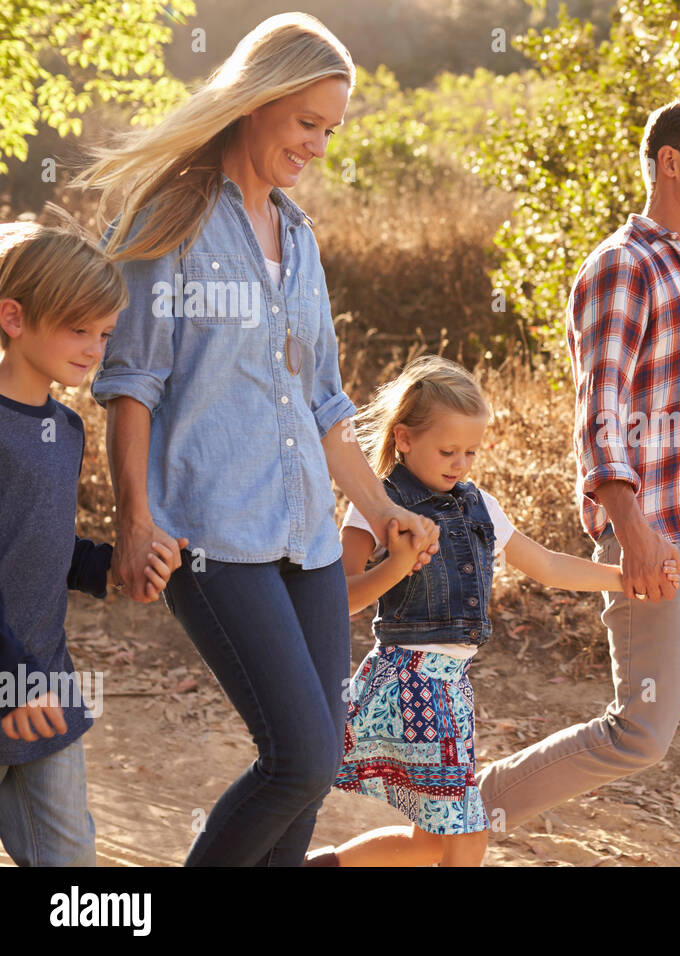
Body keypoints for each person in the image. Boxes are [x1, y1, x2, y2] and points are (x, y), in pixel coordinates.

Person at [75, 14, 439, 866]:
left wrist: (383, 509)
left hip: (307, 537)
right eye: (306, 122)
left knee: (315, 771)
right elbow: (130, 387)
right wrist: (136, 522)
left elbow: (322, 405)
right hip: (211, 535)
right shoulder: (168, 218)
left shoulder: (300, 238)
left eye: (330, 129)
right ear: (257, 102)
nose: (317, 144)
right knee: (300, 760)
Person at [474, 99, 680, 866]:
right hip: (663, 533)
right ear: (671, 162)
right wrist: (632, 526)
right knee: (641, 734)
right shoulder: (623, 265)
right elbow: (600, 405)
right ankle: (473, 805)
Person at [302, 355, 679, 866]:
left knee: (432, 841)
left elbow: (544, 564)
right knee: (469, 833)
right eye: (448, 449)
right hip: (410, 682)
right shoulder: (376, 504)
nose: (460, 463)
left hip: (451, 686)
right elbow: (340, 600)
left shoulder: (479, 505)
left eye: (471, 452)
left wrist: (623, 581)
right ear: (405, 439)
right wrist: (398, 565)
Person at [0, 217, 178, 866]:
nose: (94, 349)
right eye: (79, 329)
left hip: (46, 682)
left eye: (104, 334)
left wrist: (113, 567)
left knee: (71, 862)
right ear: (14, 318)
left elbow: (39, 541)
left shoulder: (65, 428)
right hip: (14, 681)